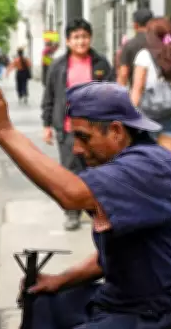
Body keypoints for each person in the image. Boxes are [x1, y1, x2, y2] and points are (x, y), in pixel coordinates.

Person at [0, 80, 171, 329]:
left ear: (116, 131)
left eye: (84, 137)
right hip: (139, 301)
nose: (78, 150)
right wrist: (60, 280)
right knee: (45, 305)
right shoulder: (126, 166)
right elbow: (114, 256)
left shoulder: (147, 167)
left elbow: (69, 194)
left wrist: (4, 131)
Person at [41, 19, 113, 231]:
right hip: (68, 127)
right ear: (68, 41)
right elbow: (50, 96)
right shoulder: (58, 66)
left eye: (84, 37)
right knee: (70, 172)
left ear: (90, 38)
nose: (81, 41)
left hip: (95, 127)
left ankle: (99, 210)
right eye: (76, 37)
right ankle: (72, 212)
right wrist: (46, 124)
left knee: (97, 170)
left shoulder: (101, 63)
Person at [129, 18, 171, 154]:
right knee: (167, 165)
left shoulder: (144, 55)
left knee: (147, 165)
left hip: (149, 116)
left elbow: (137, 89)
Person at [117, 8, 153, 87]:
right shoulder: (160, 43)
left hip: (138, 93)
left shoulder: (129, 45)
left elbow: (123, 73)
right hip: (161, 94)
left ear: (135, 25)